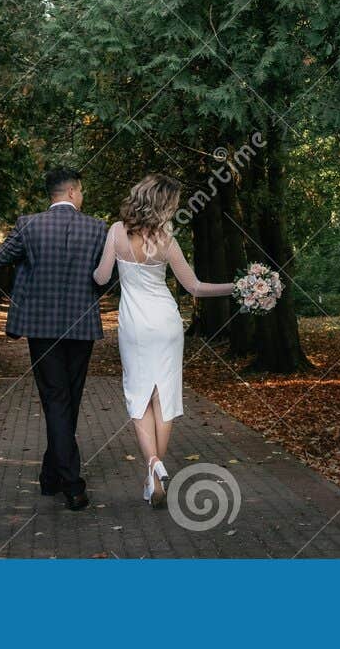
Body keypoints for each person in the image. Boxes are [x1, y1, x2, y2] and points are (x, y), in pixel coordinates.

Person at [0, 166, 108, 511]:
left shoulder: (28, 225)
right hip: (81, 327)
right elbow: (107, 278)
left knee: (56, 400)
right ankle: (60, 479)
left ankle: (65, 481)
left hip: (42, 328)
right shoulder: (98, 228)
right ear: (74, 192)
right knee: (68, 399)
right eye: (83, 191)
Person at [91, 173, 234, 508]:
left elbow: (100, 277)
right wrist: (235, 288)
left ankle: (153, 463)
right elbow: (195, 287)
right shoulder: (167, 239)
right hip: (167, 323)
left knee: (138, 395)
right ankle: (154, 475)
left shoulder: (116, 232)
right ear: (163, 204)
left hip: (135, 326)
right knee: (164, 398)